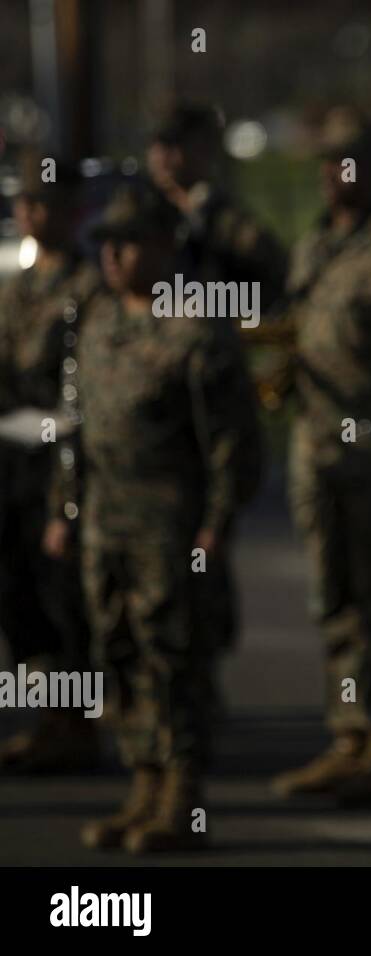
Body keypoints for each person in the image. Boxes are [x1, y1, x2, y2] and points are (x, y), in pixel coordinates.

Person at [47, 182, 258, 852]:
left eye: (129, 243)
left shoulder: (196, 328)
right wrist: (64, 507)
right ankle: (143, 783)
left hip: (171, 526)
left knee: (176, 658)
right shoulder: (99, 319)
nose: (113, 257)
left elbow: (234, 445)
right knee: (120, 651)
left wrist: (215, 528)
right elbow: (76, 422)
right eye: (106, 245)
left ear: (168, 246)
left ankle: (183, 797)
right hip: (107, 519)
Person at [269, 107, 371, 807]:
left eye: (350, 164)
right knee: (332, 600)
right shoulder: (312, 248)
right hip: (316, 448)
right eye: (329, 164)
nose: (337, 176)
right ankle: (348, 734)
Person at [146, 102, 278, 658]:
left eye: (182, 147)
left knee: (202, 532)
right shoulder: (141, 212)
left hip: (203, 391)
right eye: (162, 147)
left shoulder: (224, 220)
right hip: (142, 392)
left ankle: (198, 672)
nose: (168, 159)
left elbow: (268, 284)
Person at [0, 157, 99, 772]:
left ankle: (75, 724)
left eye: (48, 204)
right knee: (18, 591)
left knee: (64, 592)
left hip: (61, 455)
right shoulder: (15, 285)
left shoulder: (88, 288)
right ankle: (47, 714)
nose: (35, 215)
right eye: (27, 203)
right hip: (11, 455)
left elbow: (80, 392)